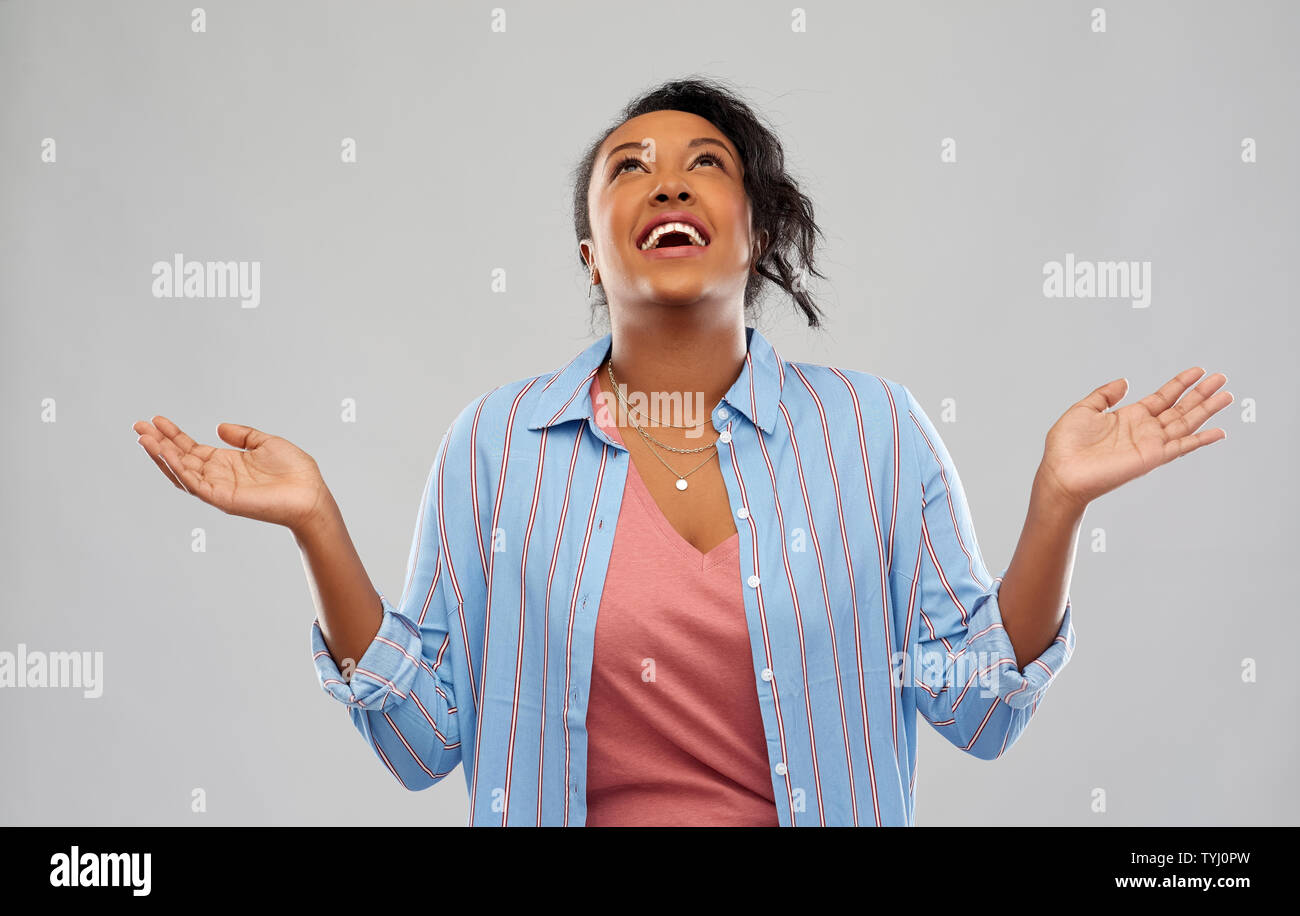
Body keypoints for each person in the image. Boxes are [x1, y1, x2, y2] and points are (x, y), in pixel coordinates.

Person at [132, 76, 1232, 827]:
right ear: (588, 252)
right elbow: (424, 744)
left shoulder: (875, 432)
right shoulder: (495, 447)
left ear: (752, 231)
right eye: (629, 168)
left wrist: (1055, 506)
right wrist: (318, 524)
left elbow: (980, 707)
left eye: (705, 165)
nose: (666, 181)